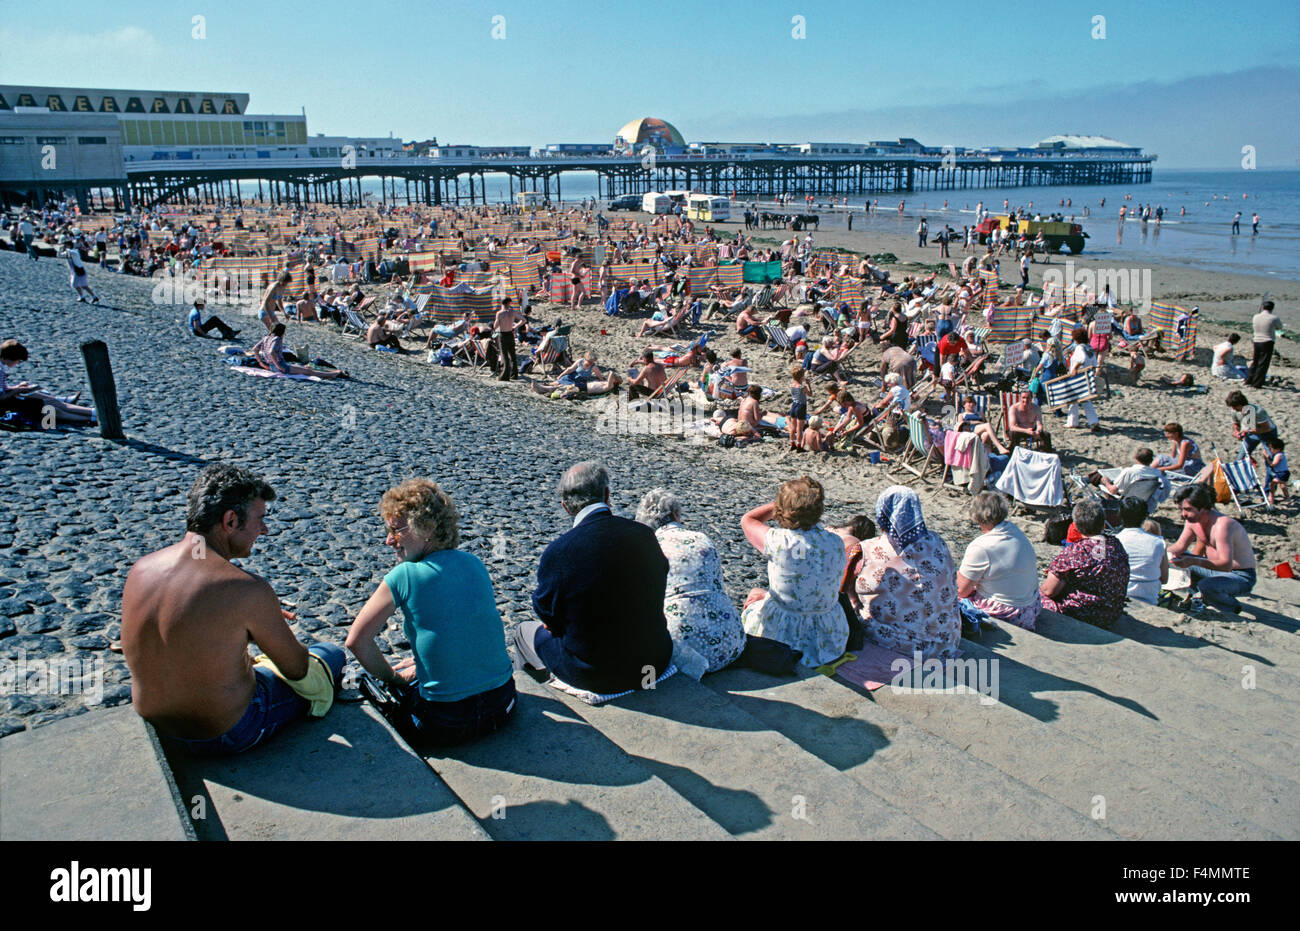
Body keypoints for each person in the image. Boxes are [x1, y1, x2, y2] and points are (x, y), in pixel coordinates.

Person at [121, 464, 345, 754]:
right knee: (331, 655)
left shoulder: (141, 569)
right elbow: (297, 667)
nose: (263, 530)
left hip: (160, 728)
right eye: (260, 519)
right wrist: (265, 626)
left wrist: (246, 624)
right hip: (225, 732)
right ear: (230, 521)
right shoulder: (246, 589)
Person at [345, 480, 516, 745]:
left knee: (377, 686)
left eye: (396, 529)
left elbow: (356, 641)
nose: (388, 540)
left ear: (428, 528)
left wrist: (394, 677)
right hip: (504, 704)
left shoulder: (405, 576)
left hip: (445, 722)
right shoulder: (475, 563)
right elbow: (465, 633)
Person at [516, 462, 674, 695]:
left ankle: (543, 701)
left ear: (566, 507)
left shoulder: (560, 552)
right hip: (652, 664)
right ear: (607, 495)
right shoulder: (644, 534)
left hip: (597, 675)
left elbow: (546, 612)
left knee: (523, 632)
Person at [634, 489, 746, 675]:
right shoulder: (702, 539)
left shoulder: (649, 548)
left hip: (685, 648)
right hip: (731, 643)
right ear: (676, 515)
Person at [739, 476, 848, 666]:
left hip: (782, 633)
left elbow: (748, 519)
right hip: (828, 636)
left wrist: (780, 503)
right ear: (819, 509)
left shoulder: (778, 541)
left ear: (782, 510)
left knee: (755, 594)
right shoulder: (836, 542)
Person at [855, 485, 961, 659]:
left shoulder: (870, 549)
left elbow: (856, 588)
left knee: (858, 609)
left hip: (904, 643)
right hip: (946, 641)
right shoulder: (936, 541)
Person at [1166, 483, 1257, 614]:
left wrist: (1193, 561)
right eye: (1181, 509)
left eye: (1188, 509)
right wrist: (1159, 552)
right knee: (1176, 556)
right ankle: (1199, 595)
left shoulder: (1222, 525)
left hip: (1240, 575)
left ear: (1203, 508)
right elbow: (1180, 546)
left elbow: (1226, 564)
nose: (1183, 514)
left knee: (1206, 585)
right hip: (1213, 570)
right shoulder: (1193, 521)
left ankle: (1232, 608)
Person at [955, 491, 1042, 629]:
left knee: (947, 597)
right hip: (1031, 607)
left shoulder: (981, 547)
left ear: (976, 517)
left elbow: (961, 590)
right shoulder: (1015, 531)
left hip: (1007, 612)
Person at [1039, 499, 1130, 628]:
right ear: (1103, 525)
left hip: (1080, 614)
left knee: (1033, 597)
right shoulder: (1116, 546)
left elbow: (1049, 591)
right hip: (1111, 613)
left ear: (1075, 527)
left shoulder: (1074, 552)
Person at [0, 339, 96, 425]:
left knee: (50, 402)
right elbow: (1, 397)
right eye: (18, 361)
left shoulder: (2, 366)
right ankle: (93, 417)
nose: (18, 363)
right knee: (53, 410)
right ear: (8, 358)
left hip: (10, 402)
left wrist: (17, 387)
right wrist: (17, 390)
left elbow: (3, 389)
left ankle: (93, 413)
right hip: (6, 406)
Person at [1115, 496, 1168, 605]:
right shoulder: (1158, 543)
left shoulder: (1115, 542)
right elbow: (1164, 579)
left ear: (1120, 516)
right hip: (1150, 597)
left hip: (1122, 595)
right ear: (1145, 517)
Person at [251, 323, 346, 379]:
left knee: (305, 368)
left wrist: (261, 363)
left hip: (271, 366)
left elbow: (255, 349)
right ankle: (334, 374)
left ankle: (334, 373)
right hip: (281, 367)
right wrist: (278, 366)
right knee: (310, 372)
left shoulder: (266, 338)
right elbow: (272, 351)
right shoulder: (277, 339)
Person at [1066, 326, 1100, 432]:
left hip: (1078, 377)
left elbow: (1082, 359)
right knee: (1085, 400)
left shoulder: (1080, 348)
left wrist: (1075, 368)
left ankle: (1073, 422)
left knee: (1073, 399)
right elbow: (1094, 363)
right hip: (1087, 376)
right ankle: (1093, 421)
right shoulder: (1089, 347)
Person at [1226, 390, 1279, 455]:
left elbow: (1266, 428)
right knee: (1242, 457)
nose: (1233, 409)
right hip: (1252, 433)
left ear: (1241, 404)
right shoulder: (1234, 411)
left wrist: (1247, 431)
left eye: (1235, 406)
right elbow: (1236, 424)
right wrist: (1236, 431)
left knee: (1271, 456)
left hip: (1268, 433)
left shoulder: (1258, 412)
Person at [1245, 300, 1280, 388]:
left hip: (1256, 341)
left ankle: (1249, 380)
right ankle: (1257, 383)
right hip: (1267, 341)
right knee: (1263, 363)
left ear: (1263, 307)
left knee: (1255, 361)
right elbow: (1279, 327)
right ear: (1272, 309)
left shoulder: (1256, 316)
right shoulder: (1274, 318)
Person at [493, 296, 522, 381]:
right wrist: (515, 326)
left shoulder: (500, 313)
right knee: (513, 355)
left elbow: (495, 326)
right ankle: (514, 375)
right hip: (510, 334)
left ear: (502, 303)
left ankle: (505, 376)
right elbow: (523, 320)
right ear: (509, 303)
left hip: (503, 334)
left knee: (504, 355)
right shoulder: (512, 312)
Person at [1264, 437, 1289, 506]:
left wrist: (1267, 458)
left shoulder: (1278, 455)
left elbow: (1273, 464)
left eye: (1271, 449)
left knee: (1271, 484)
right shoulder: (1281, 454)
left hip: (1282, 473)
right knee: (1283, 486)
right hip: (1283, 472)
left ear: (1277, 449)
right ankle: (1287, 497)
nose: (1270, 450)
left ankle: (1271, 498)